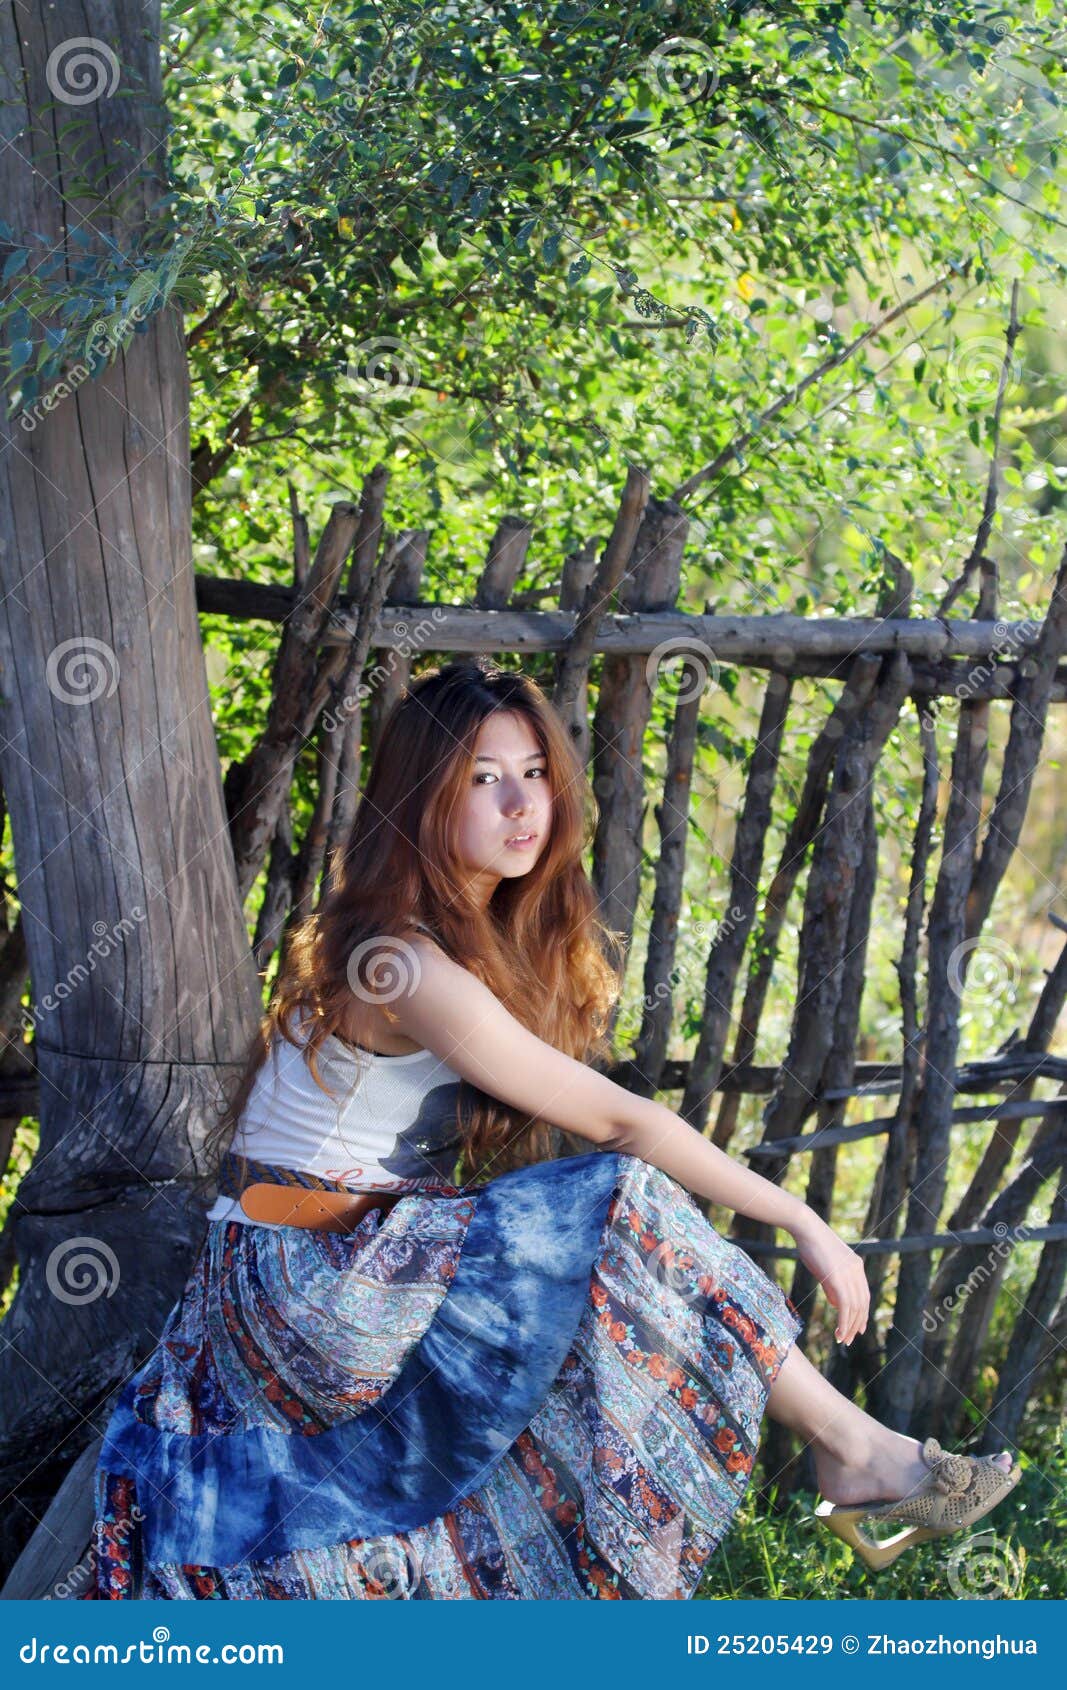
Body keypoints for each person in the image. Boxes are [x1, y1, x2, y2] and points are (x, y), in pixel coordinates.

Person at [82, 659, 1020, 1599]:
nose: (520, 803)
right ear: (420, 797)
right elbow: (618, 1122)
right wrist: (804, 1222)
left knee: (596, 1269)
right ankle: (854, 1452)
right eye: (482, 778)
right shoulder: (400, 961)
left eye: (533, 771)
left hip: (345, 1262)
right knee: (619, 1203)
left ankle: (843, 1462)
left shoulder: (445, 940)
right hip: (304, 1286)